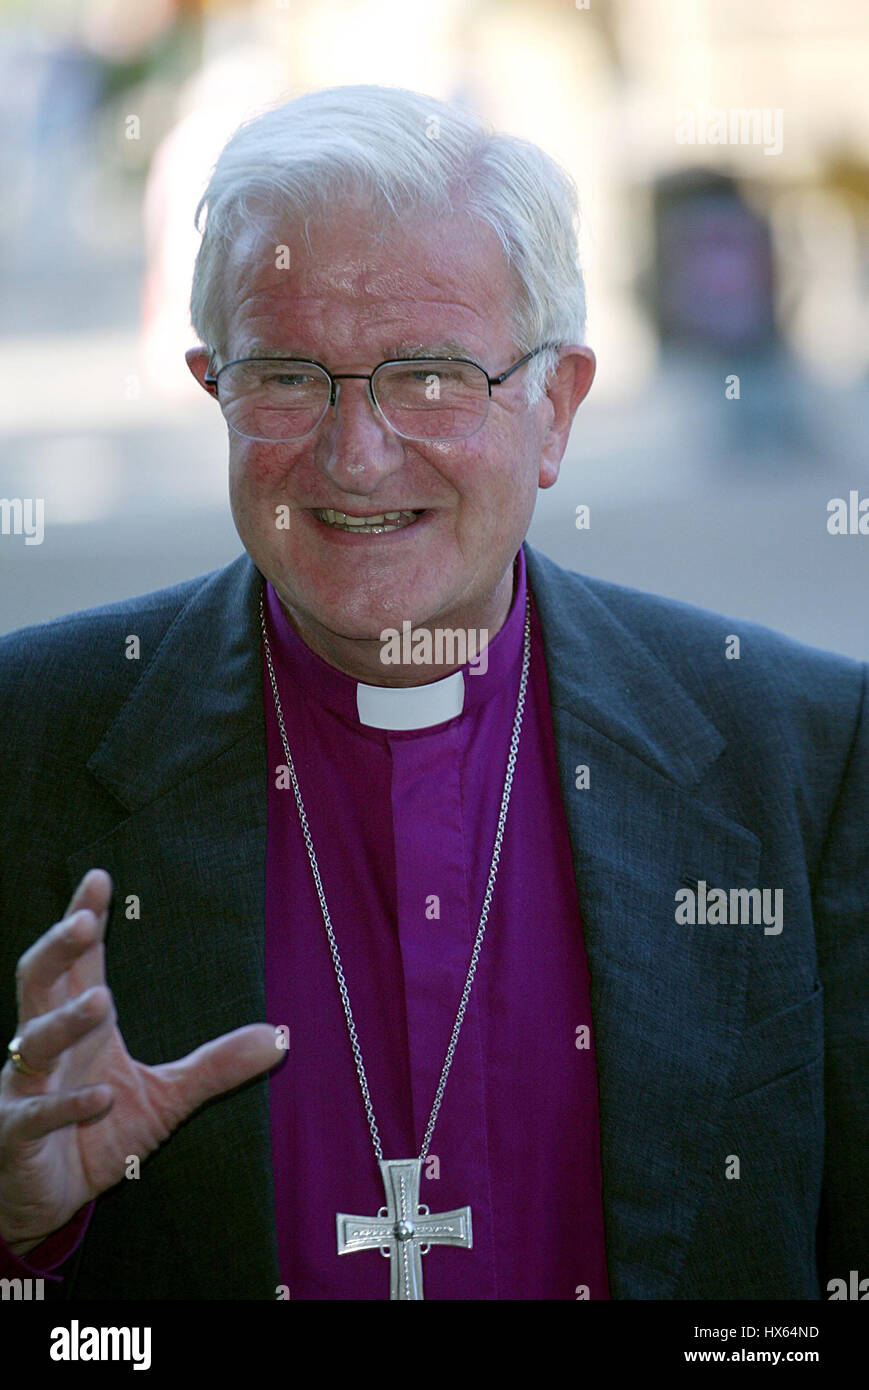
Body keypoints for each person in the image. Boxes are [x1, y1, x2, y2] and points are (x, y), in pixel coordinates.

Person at [0, 85, 865, 1302]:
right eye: (289, 378)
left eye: (428, 376)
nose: (356, 455)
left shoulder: (805, 755)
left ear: (552, 406)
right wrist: (16, 1230)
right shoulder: (24, 740)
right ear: (213, 391)